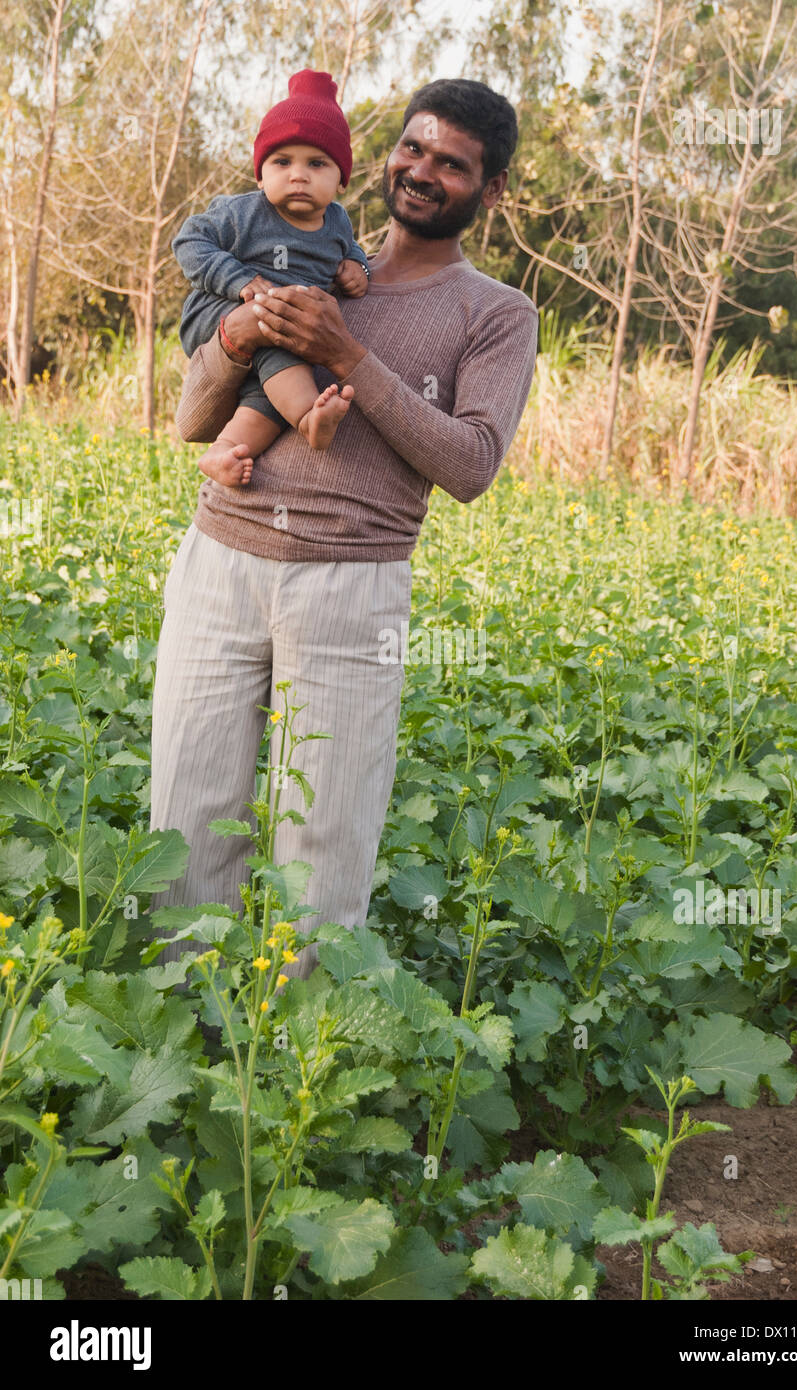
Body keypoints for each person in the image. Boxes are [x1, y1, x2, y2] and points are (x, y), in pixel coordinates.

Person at [150, 78, 540, 979]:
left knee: (321, 851)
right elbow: (193, 422)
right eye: (414, 147)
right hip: (220, 561)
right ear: (390, 152)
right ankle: (178, 1040)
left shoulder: (495, 313)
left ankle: (296, 1080)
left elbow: (472, 464)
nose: (424, 171)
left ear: (492, 191)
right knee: (184, 821)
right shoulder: (309, 253)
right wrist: (243, 333)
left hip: (351, 590)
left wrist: (345, 351)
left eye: (454, 164)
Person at [172, 69, 370, 486]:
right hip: (217, 308)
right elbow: (189, 240)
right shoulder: (242, 212)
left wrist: (358, 267)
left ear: (341, 179)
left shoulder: (337, 222)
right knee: (280, 341)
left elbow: (350, 251)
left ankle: (225, 451)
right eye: (282, 162)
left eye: (317, 163)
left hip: (276, 323)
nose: (298, 175)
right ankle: (306, 416)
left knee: (272, 380)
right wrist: (238, 279)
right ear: (261, 175)